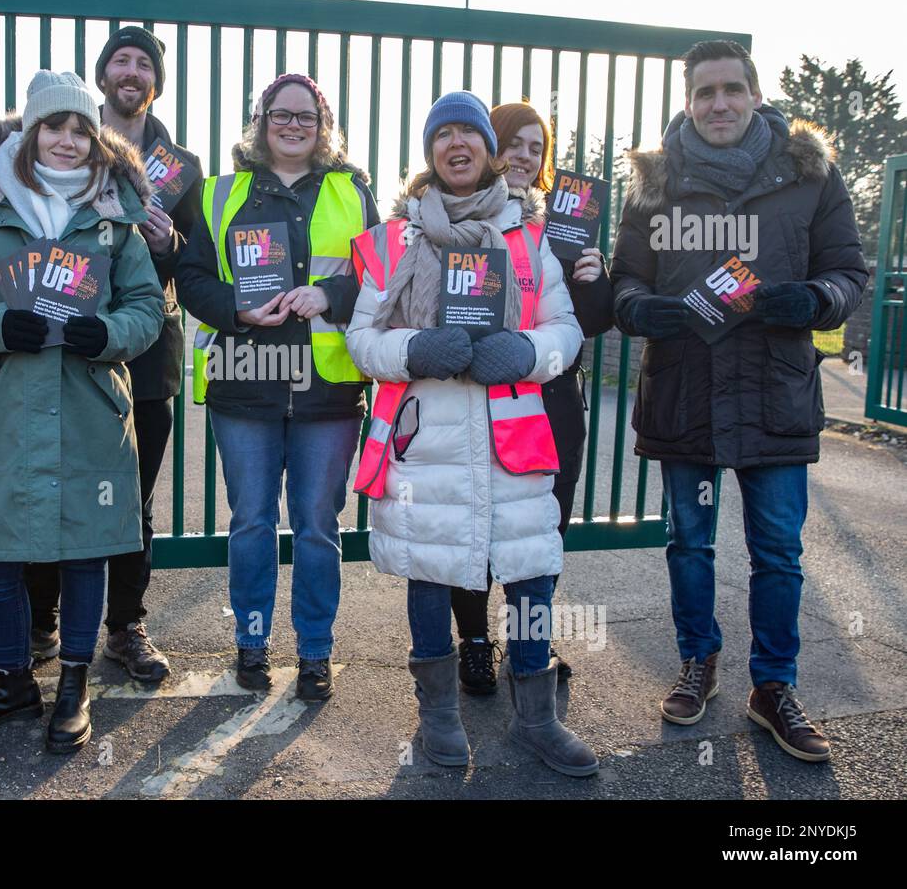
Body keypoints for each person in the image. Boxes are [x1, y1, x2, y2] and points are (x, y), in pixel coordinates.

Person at [611, 40, 868, 762]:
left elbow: (848, 270)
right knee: (689, 543)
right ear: (688, 102)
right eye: (705, 92)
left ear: (755, 95)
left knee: (778, 551)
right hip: (685, 393)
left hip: (774, 393)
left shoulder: (809, 175)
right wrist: (639, 308)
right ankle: (698, 660)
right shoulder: (654, 183)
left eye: (731, 89)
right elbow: (626, 278)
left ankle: (774, 687)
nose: (718, 103)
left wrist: (816, 298)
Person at [346, 91, 598, 776]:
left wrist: (527, 352)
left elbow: (566, 330)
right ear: (430, 151)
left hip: (514, 438)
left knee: (532, 573)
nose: (456, 143)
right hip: (427, 440)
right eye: (443, 133)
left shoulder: (528, 235)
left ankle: (537, 719)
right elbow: (362, 339)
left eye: (469, 133)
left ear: (488, 149)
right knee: (430, 572)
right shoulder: (395, 239)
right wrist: (414, 350)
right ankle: (438, 714)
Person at [0, 71, 164, 753]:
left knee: (86, 550)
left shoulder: (114, 217)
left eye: (81, 129)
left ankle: (74, 687)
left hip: (87, 405)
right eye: (54, 126)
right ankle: (12, 682)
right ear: (30, 130)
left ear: (97, 140)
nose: (67, 140)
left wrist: (106, 333)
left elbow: (147, 307)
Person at [176, 73, 379, 701]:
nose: (293, 125)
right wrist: (236, 308)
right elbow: (191, 276)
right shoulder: (218, 192)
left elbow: (382, 276)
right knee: (251, 522)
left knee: (318, 525)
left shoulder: (353, 192)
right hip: (246, 384)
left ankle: (315, 651)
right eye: (280, 114)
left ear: (323, 127)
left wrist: (331, 294)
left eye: (306, 116)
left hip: (327, 393)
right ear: (261, 123)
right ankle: (252, 642)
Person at [12, 27, 203, 684]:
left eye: (144, 63)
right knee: (51, 484)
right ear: (102, 75)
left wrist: (169, 242)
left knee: (130, 500)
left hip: (145, 356)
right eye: (121, 60)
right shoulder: (71, 146)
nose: (132, 71)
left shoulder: (183, 167)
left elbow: (196, 267)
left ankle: (125, 626)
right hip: (63, 346)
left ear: (156, 82)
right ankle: (41, 623)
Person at [448, 101, 615, 692]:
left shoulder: (564, 227)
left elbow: (591, 324)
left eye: (536, 147)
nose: (524, 155)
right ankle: (474, 642)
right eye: (513, 142)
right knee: (475, 525)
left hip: (552, 401)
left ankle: (529, 642)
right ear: (490, 147)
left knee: (543, 531)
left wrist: (594, 278)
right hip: (480, 396)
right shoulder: (464, 215)